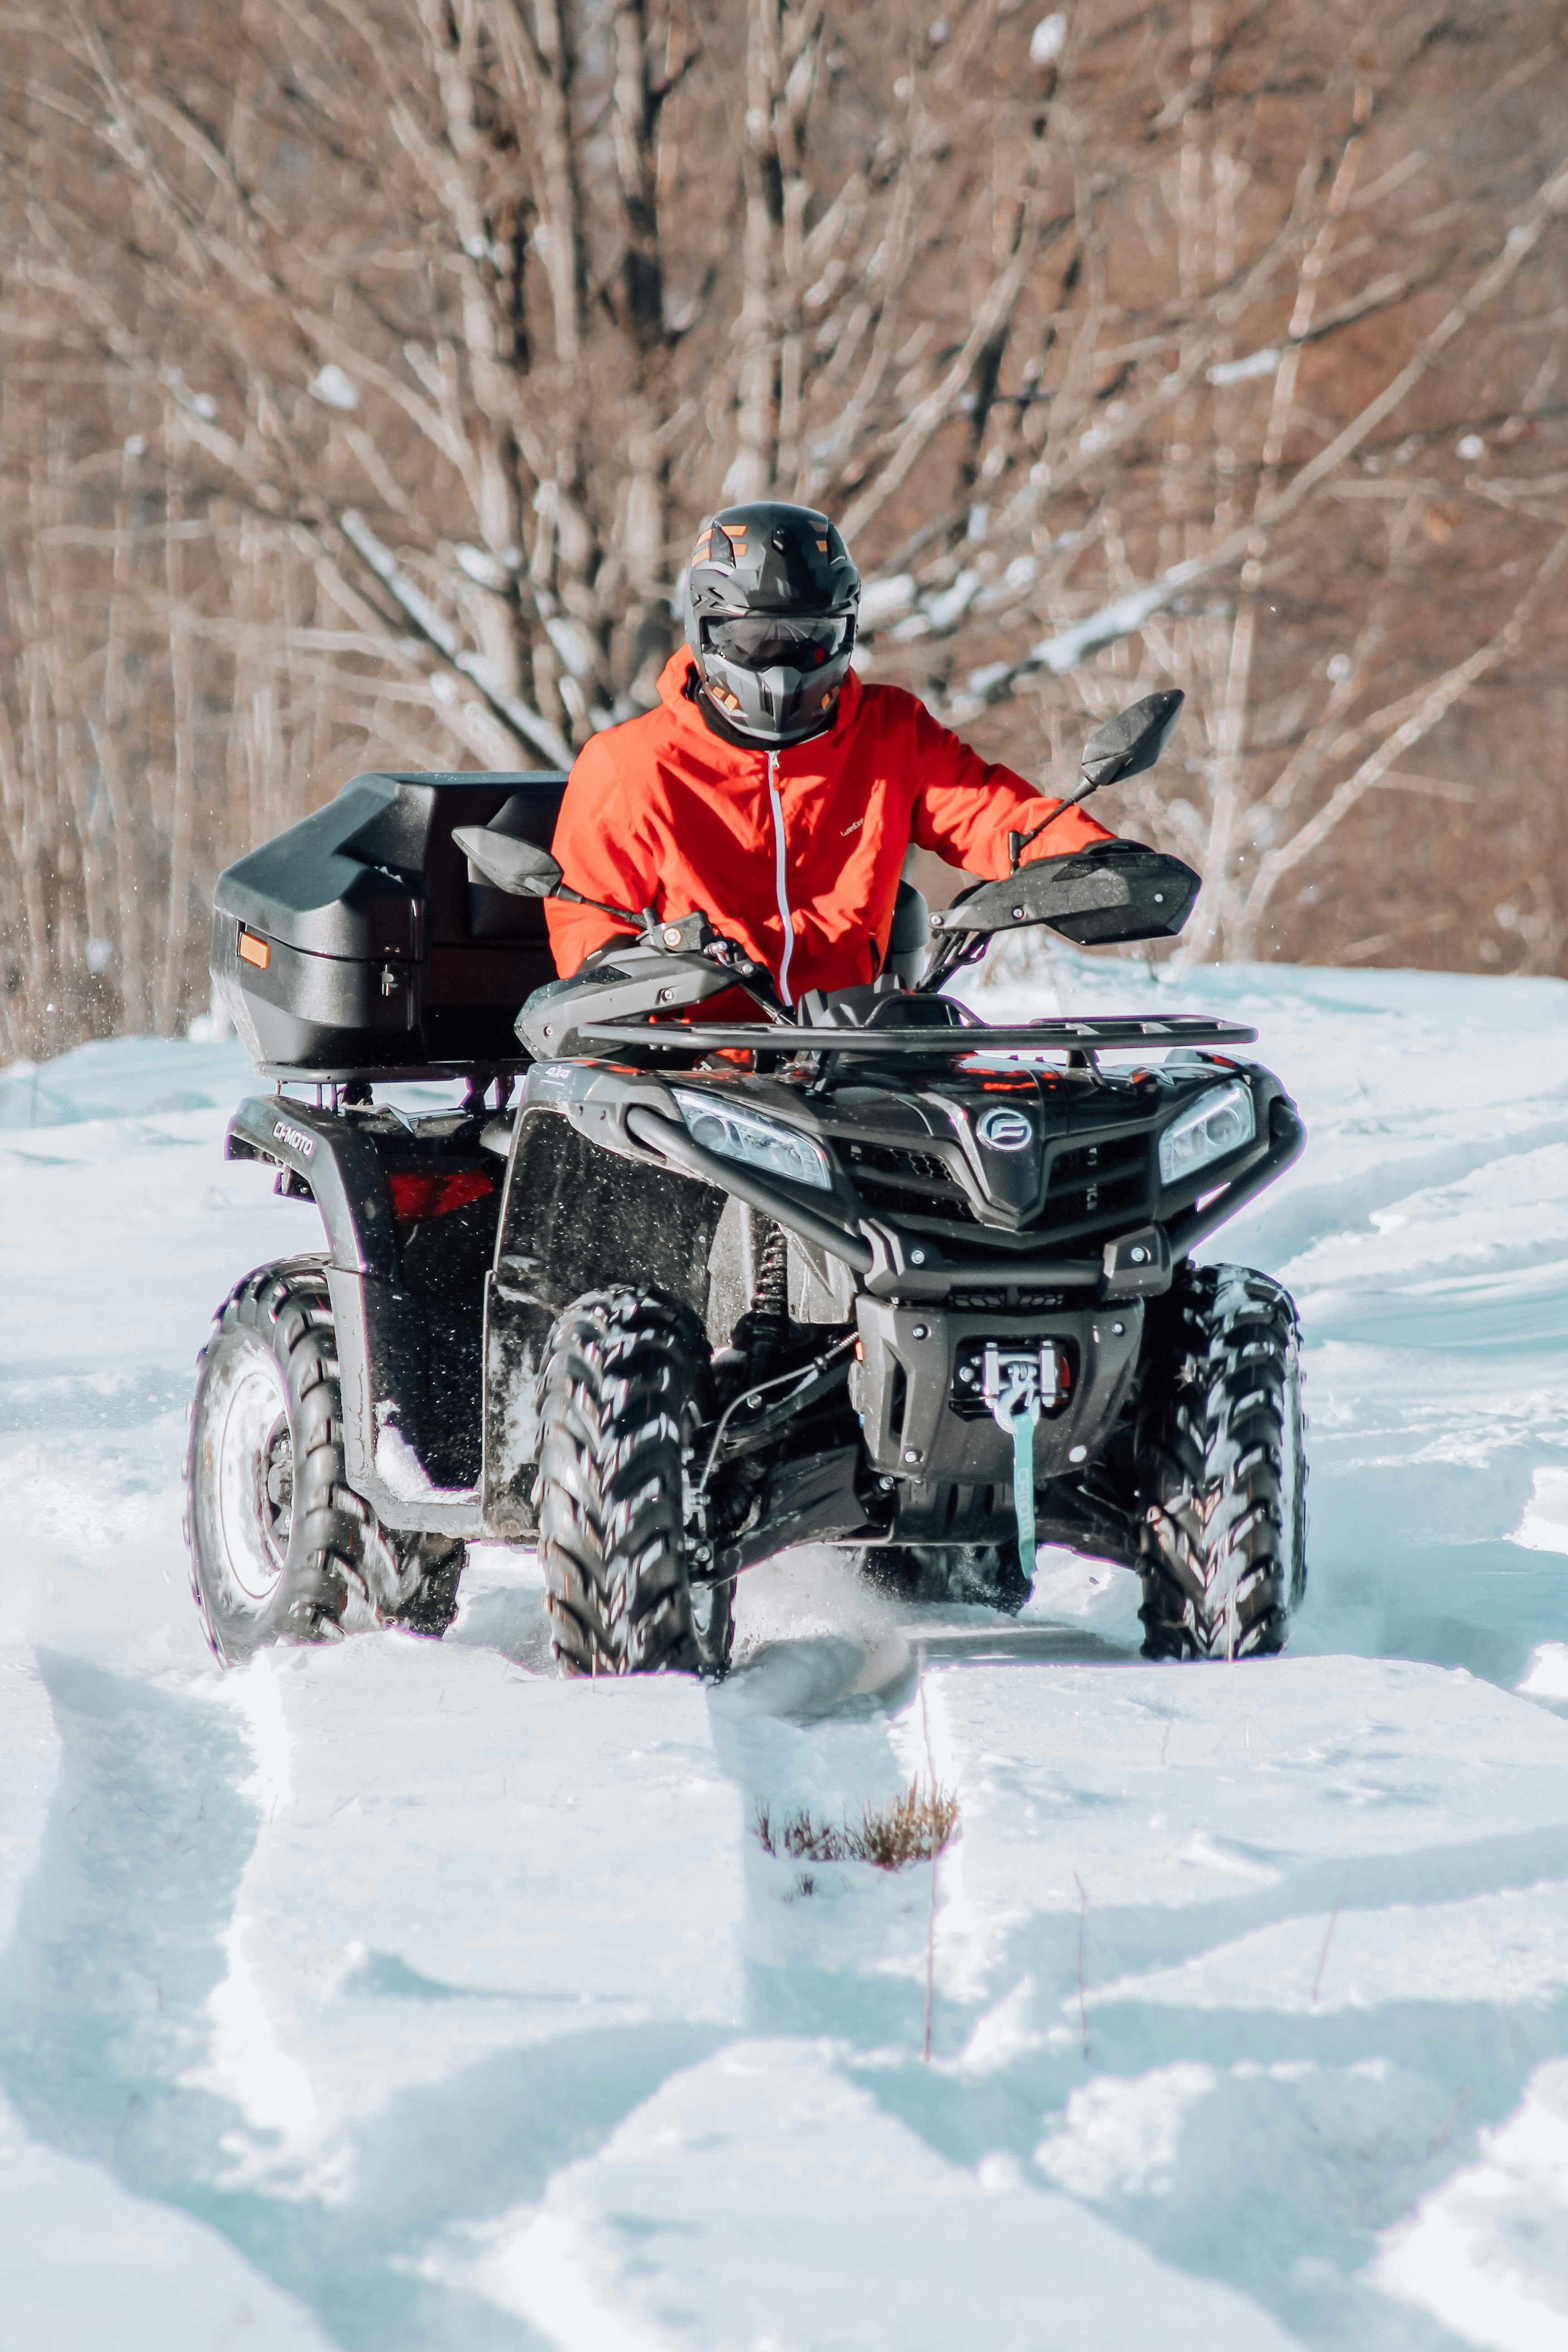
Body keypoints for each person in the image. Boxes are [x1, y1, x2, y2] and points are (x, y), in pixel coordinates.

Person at [544, 502, 1112, 1003]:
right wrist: (616, 981)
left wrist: (1097, 862)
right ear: (707, 629)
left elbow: (996, 817)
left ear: (847, 631)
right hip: (695, 1056)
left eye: (810, 636)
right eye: (755, 638)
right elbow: (588, 914)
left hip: (852, 1046)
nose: (782, 662)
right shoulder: (631, 762)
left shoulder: (891, 732)